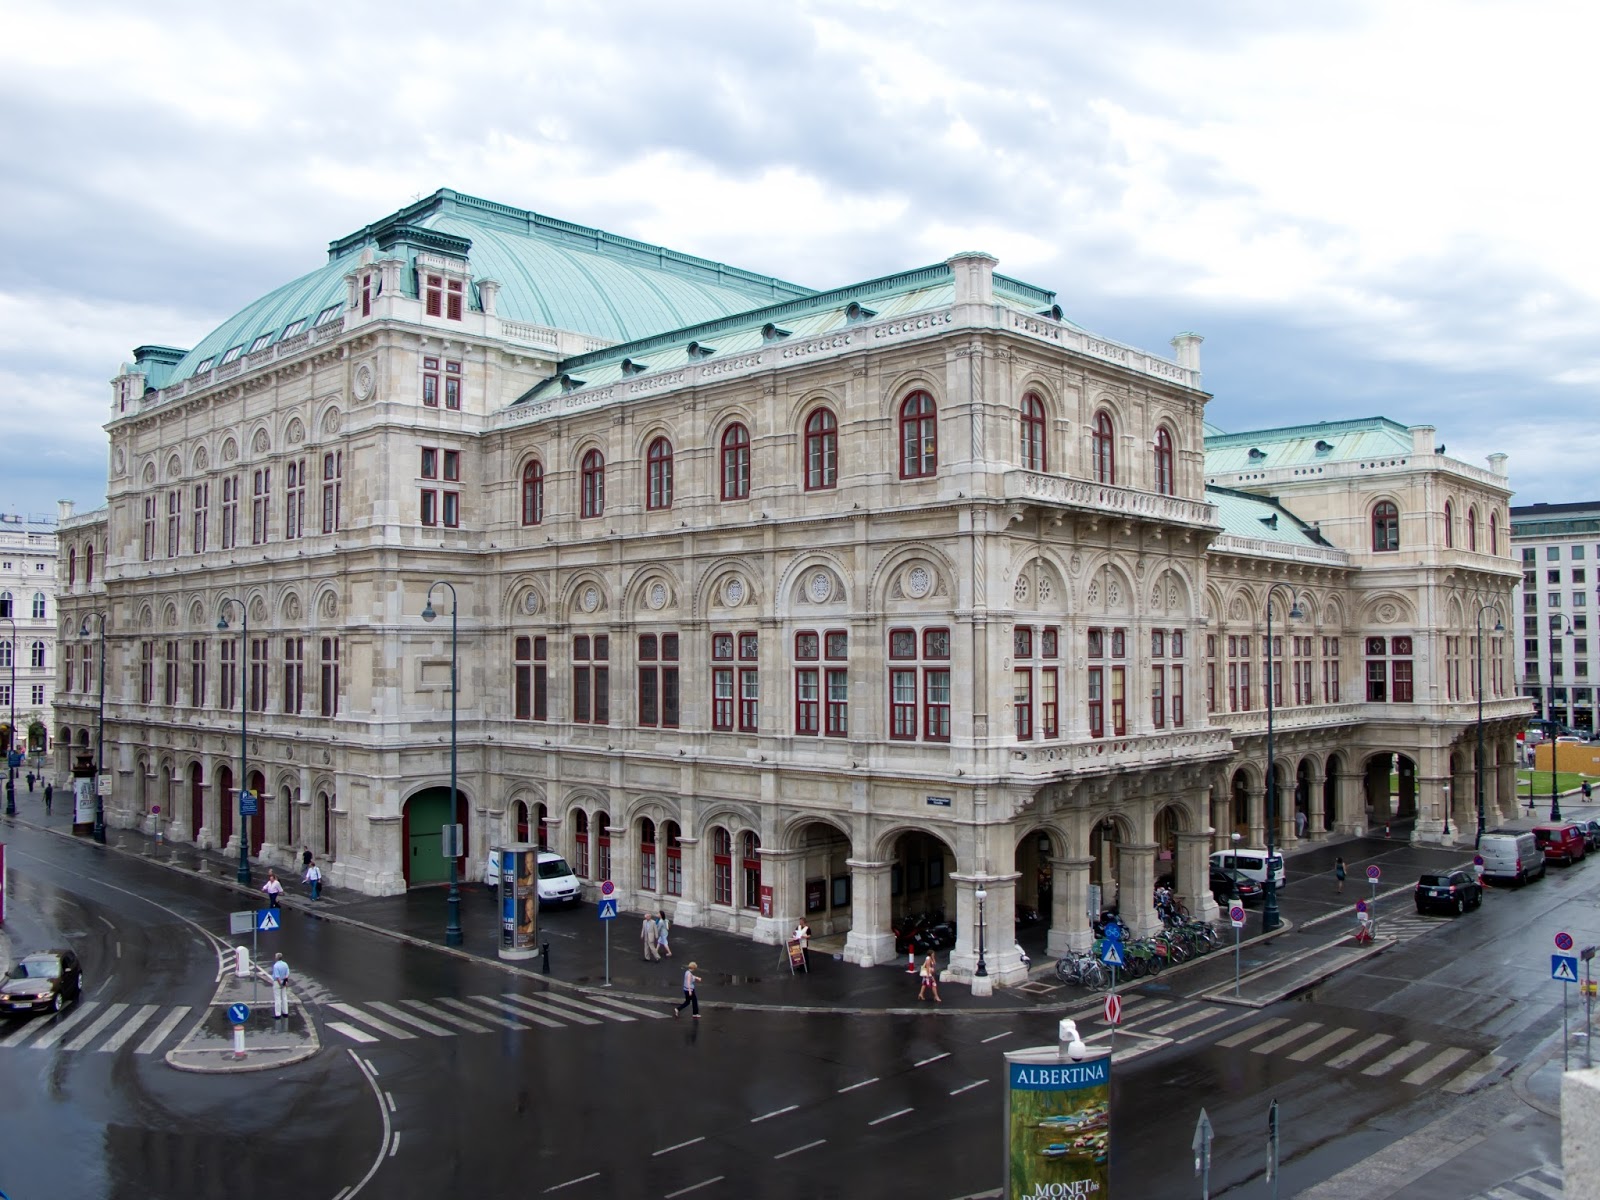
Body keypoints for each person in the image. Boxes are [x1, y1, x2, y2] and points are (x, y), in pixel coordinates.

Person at [270, 953, 291, 1018]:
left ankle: (278, 1014)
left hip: (277, 982)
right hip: (284, 981)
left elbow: (277, 976)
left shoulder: (276, 966)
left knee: (277, 998)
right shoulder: (285, 964)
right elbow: (287, 974)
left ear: (276, 958)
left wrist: (280, 984)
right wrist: (285, 982)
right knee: (284, 997)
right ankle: (285, 1012)